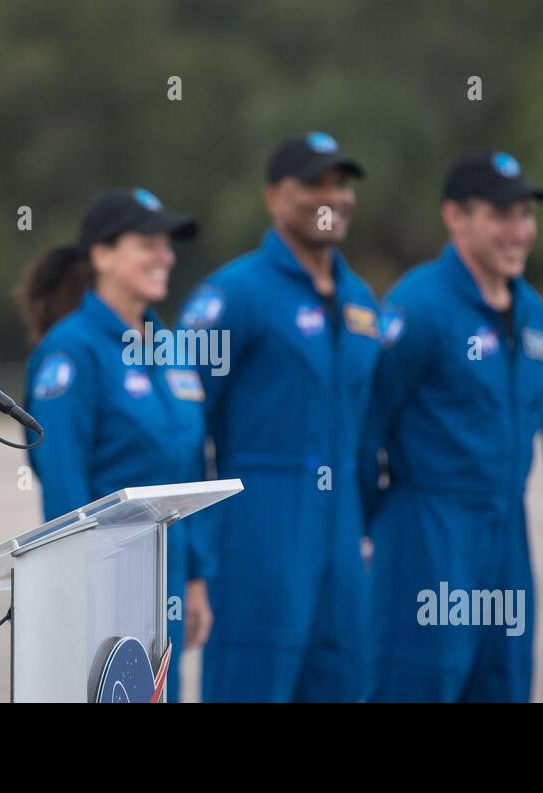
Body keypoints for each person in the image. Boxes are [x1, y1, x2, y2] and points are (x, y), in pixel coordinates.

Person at [178, 132, 380, 702]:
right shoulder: (231, 296)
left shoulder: (363, 302)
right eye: (314, 183)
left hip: (343, 531)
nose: (332, 196)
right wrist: (196, 545)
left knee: (343, 681)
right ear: (274, 196)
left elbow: (372, 428)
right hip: (258, 523)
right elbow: (181, 425)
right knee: (253, 680)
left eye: (341, 184)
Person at [362, 151, 543, 702]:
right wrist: (375, 521)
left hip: (506, 528)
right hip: (428, 528)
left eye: (526, 216)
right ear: (455, 217)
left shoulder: (534, 311)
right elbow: (365, 425)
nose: (518, 231)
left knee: (505, 682)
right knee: (418, 681)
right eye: (501, 216)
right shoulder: (417, 307)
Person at [19, 187, 213, 702]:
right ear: (102, 255)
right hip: (104, 580)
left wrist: (194, 580)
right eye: (147, 242)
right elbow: (63, 481)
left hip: (166, 576)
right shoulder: (71, 352)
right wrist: (81, 587)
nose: (164, 256)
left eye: (168, 244)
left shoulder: (172, 348)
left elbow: (190, 473)